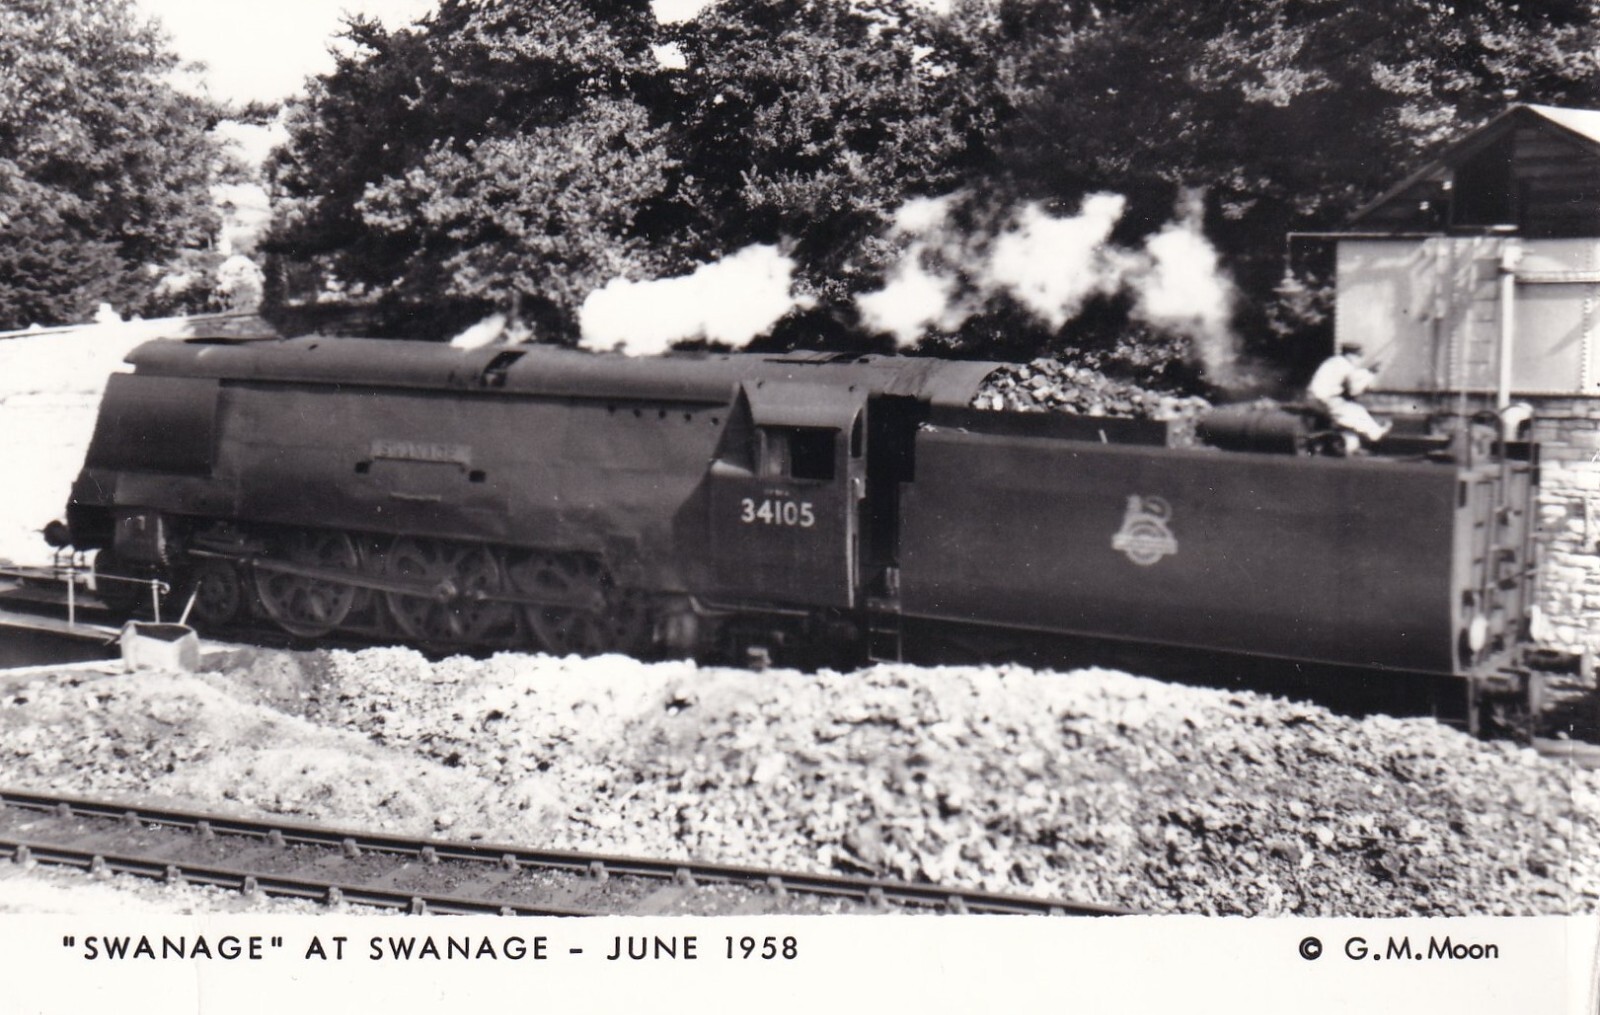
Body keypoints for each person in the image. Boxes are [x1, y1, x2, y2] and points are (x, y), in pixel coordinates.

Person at [1307, 342, 1390, 452]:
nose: (1359, 359)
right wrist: (1370, 374)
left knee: (1347, 410)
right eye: (1358, 355)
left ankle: (1362, 435)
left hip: (1311, 397)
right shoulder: (1347, 366)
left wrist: (1367, 372)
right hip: (1326, 400)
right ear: (1350, 355)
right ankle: (1376, 434)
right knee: (1357, 411)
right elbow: (1354, 390)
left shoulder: (1333, 361)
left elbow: (1352, 376)